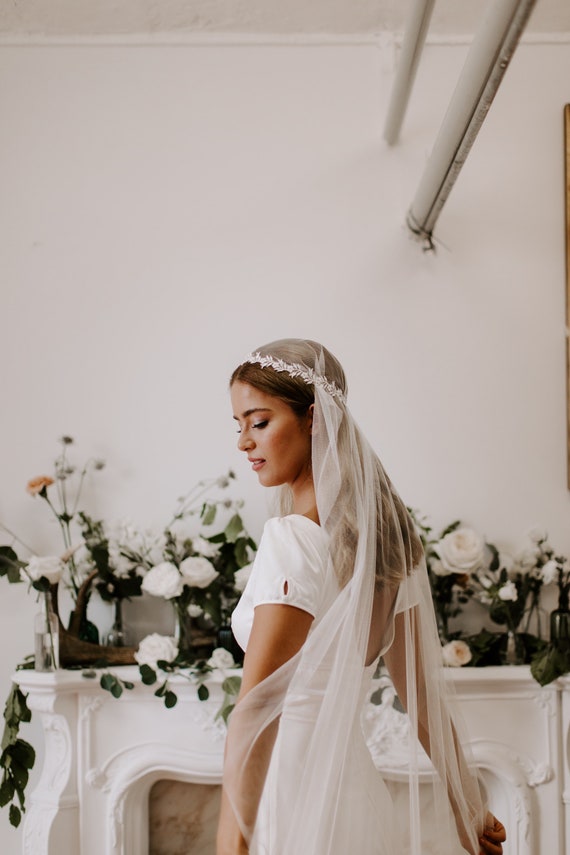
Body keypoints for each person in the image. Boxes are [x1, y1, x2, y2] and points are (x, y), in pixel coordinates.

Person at [217, 338, 506, 855]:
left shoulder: (292, 540)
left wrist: (231, 849)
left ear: (313, 419)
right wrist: (469, 807)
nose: (243, 442)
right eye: (237, 426)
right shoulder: (385, 545)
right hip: (352, 794)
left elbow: (253, 717)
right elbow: (422, 698)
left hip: (290, 799)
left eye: (258, 422)